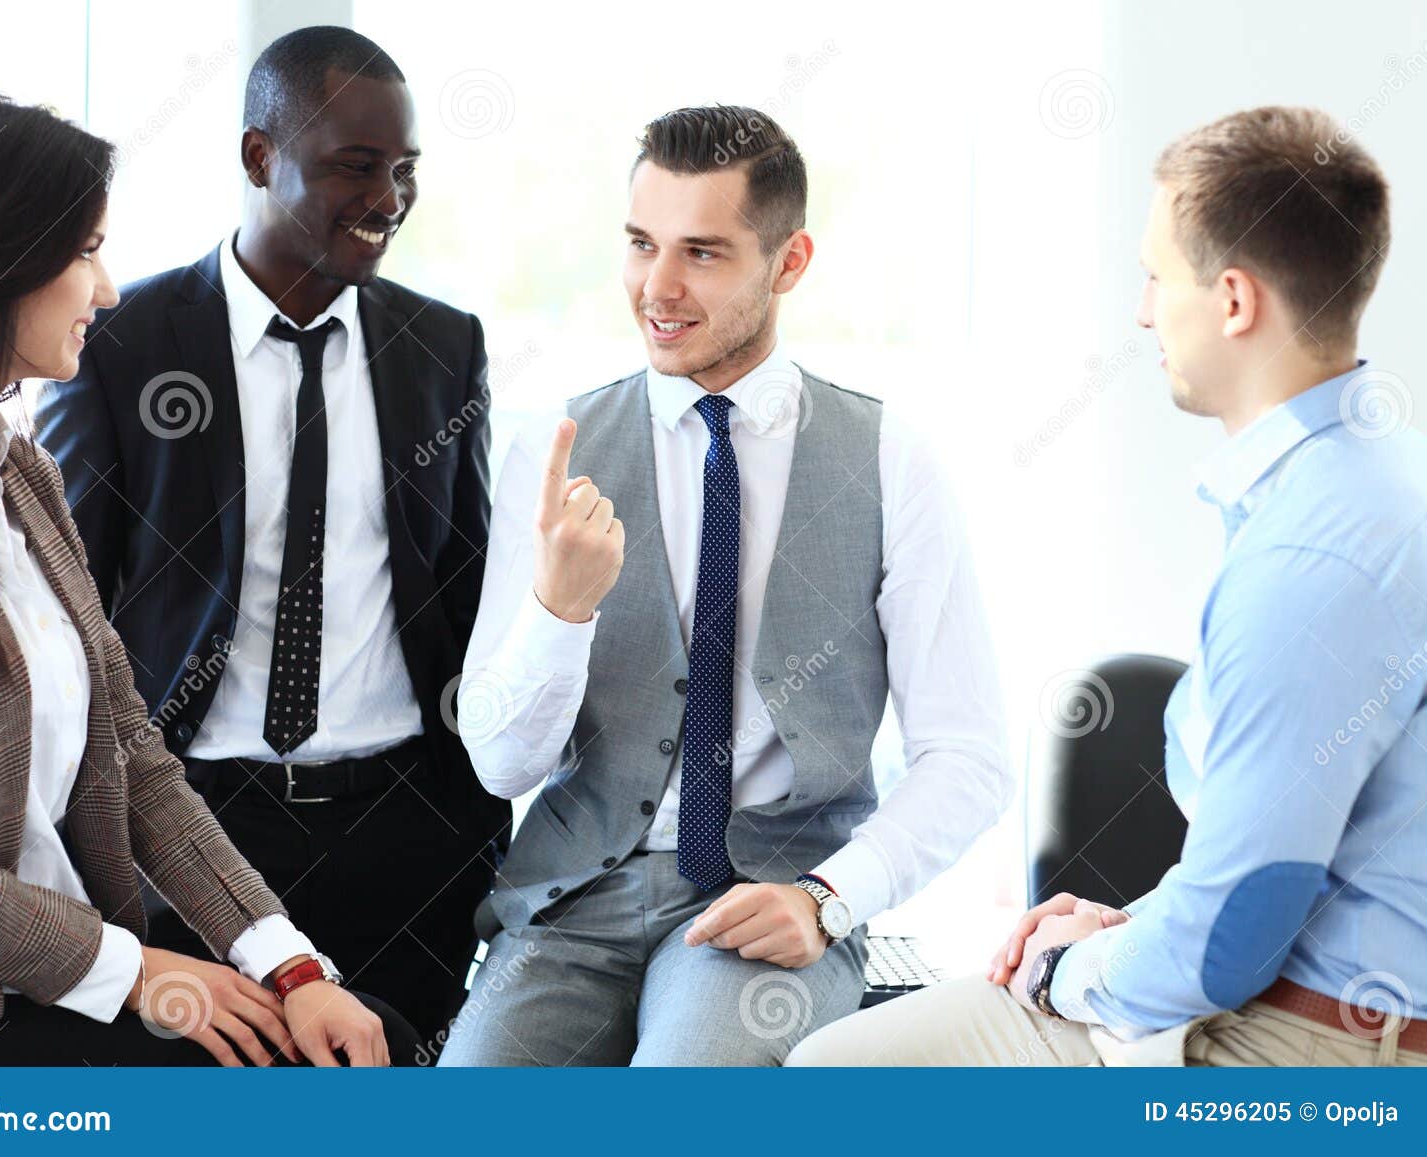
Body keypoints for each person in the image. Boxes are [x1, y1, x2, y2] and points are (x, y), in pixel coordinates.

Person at [789, 106, 1427, 1067]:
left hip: (1310, 1043)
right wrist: (1130, 927)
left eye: (1158, 276)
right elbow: (1274, 867)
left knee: (836, 1075)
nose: (1141, 310)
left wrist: (1067, 968)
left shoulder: (1309, 557)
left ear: (1235, 302)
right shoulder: (1366, 476)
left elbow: (1231, 937)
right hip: (1300, 989)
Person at [0, 90, 416, 1067]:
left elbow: (130, 751)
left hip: (60, 971)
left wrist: (287, 963)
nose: (105, 291)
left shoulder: (17, 475)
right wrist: (146, 971)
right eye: (85, 251)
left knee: (361, 1033)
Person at [437, 105, 1012, 1067]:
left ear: (789, 263)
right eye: (639, 244)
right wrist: (558, 610)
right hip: (571, 903)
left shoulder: (891, 462)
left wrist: (831, 898)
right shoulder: (555, 448)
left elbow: (968, 754)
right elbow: (499, 764)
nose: (656, 288)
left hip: (771, 899)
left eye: (701, 253)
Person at [36, 27, 506, 1046]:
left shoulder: (442, 346)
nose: (387, 199)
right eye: (355, 166)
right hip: (195, 827)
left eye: (404, 171)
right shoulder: (121, 343)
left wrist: (474, 812)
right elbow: (66, 606)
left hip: (404, 831)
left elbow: (465, 585)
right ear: (260, 157)